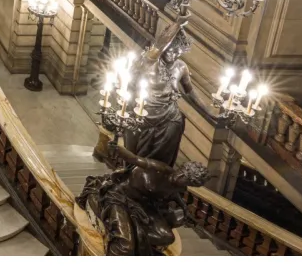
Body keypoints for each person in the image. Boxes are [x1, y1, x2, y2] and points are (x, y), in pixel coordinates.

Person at [79, 144, 209, 256]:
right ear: (182, 172)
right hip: (118, 198)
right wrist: (118, 149)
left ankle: (136, 233)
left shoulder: (179, 186)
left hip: (144, 206)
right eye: (186, 179)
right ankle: (127, 236)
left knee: (167, 237)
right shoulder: (159, 169)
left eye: (190, 183)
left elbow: (174, 195)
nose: (183, 184)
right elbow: (134, 159)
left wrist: (185, 209)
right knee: (125, 246)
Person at [125, 21, 193, 166]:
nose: (173, 55)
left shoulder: (181, 67)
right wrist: (178, 21)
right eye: (170, 51)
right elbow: (158, 46)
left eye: (178, 52)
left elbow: (191, 92)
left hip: (170, 118)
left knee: (163, 160)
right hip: (143, 115)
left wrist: (212, 113)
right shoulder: (150, 62)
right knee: (134, 159)